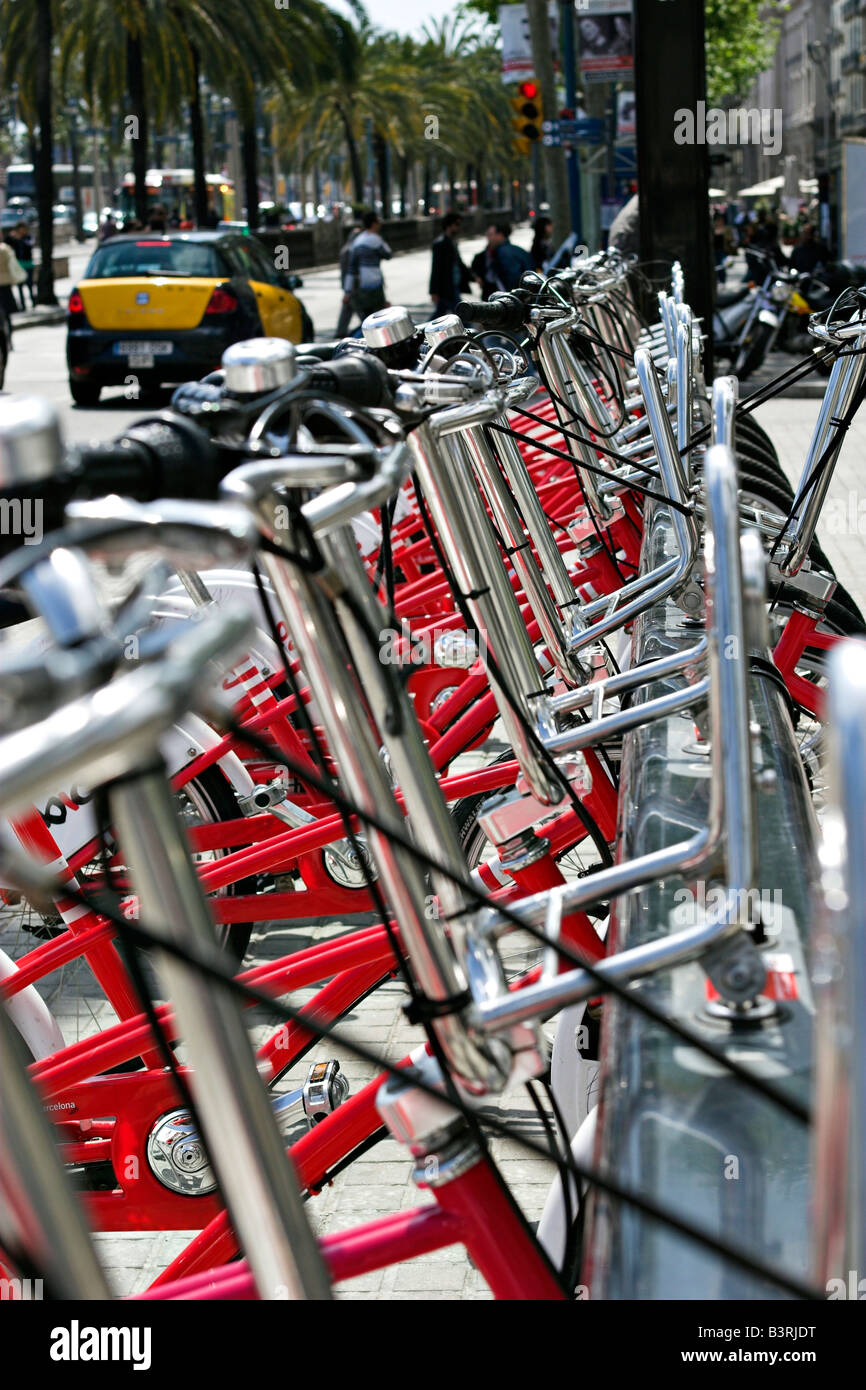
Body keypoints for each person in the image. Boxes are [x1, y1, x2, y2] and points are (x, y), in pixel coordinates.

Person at [343, 211, 392, 323]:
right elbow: (388, 254)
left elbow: (351, 268)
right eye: (378, 222)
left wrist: (347, 290)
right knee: (380, 320)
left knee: (366, 320)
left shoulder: (357, 241)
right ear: (374, 224)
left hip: (361, 287)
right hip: (375, 285)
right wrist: (379, 238)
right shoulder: (376, 240)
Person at [429, 211, 472, 315]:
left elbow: (459, 263)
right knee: (461, 315)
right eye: (456, 224)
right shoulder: (440, 244)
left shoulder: (452, 242)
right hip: (447, 287)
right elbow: (436, 269)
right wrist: (433, 291)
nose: (458, 228)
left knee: (440, 314)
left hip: (452, 286)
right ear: (449, 225)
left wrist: (473, 277)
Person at [335, 222, 362, 337]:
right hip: (352, 286)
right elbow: (347, 271)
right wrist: (348, 289)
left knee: (347, 310)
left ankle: (340, 332)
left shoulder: (348, 249)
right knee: (362, 311)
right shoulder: (349, 251)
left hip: (350, 286)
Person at [0, 231, 26, 335]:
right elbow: (12, 263)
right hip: (5, 282)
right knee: (6, 313)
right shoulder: (5, 249)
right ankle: (8, 336)